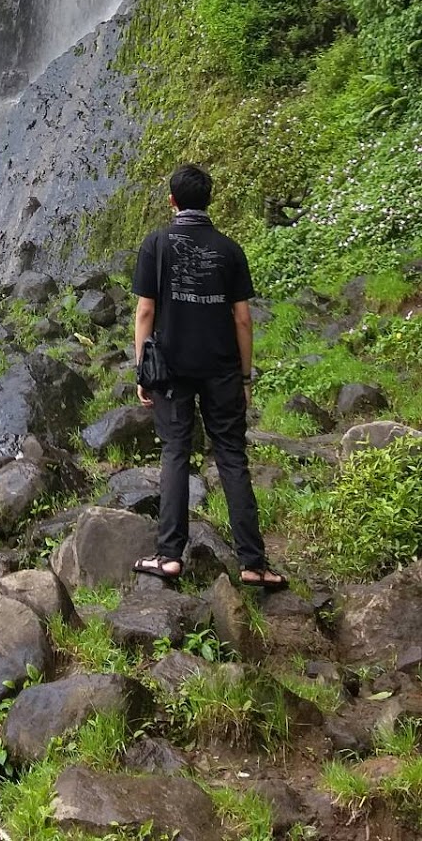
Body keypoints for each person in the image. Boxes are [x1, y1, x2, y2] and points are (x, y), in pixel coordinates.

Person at [130, 162, 286, 589]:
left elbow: (145, 311)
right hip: (221, 370)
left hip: (172, 369)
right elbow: (242, 319)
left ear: (172, 201)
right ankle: (253, 564)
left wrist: (142, 368)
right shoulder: (230, 249)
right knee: (232, 458)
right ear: (209, 201)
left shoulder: (156, 244)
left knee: (175, 453)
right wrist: (246, 377)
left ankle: (168, 557)